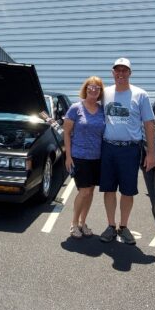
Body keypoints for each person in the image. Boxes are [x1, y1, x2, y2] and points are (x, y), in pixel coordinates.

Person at [99, 58, 155, 245]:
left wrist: (151, 153)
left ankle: (123, 227)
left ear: (130, 73)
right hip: (108, 147)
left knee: (127, 191)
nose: (121, 74)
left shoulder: (140, 95)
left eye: (125, 70)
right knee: (108, 189)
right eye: (117, 70)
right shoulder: (105, 93)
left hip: (130, 149)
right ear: (112, 72)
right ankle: (110, 225)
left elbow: (149, 123)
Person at [63, 76, 106, 239]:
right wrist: (68, 156)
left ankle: (83, 222)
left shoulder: (102, 109)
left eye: (97, 88)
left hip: (97, 158)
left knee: (91, 192)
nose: (93, 90)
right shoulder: (76, 108)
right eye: (91, 87)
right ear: (85, 89)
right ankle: (74, 224)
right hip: (79, 156)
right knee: (84, 191)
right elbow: (66, 132)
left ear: (100, 91)